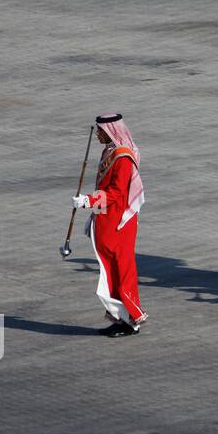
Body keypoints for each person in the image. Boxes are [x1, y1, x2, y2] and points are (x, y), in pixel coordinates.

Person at [72, 114, 147, 337]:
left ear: (110, 131)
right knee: (110, 270)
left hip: (119, 223)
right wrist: (94, 217)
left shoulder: (122, 158)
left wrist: (89, 201)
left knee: (121, 269)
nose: (97, 134)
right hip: (106, 220)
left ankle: (132, 319)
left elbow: (116, 193)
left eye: (100, 131)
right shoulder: (110, 152)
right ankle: (120, 317)